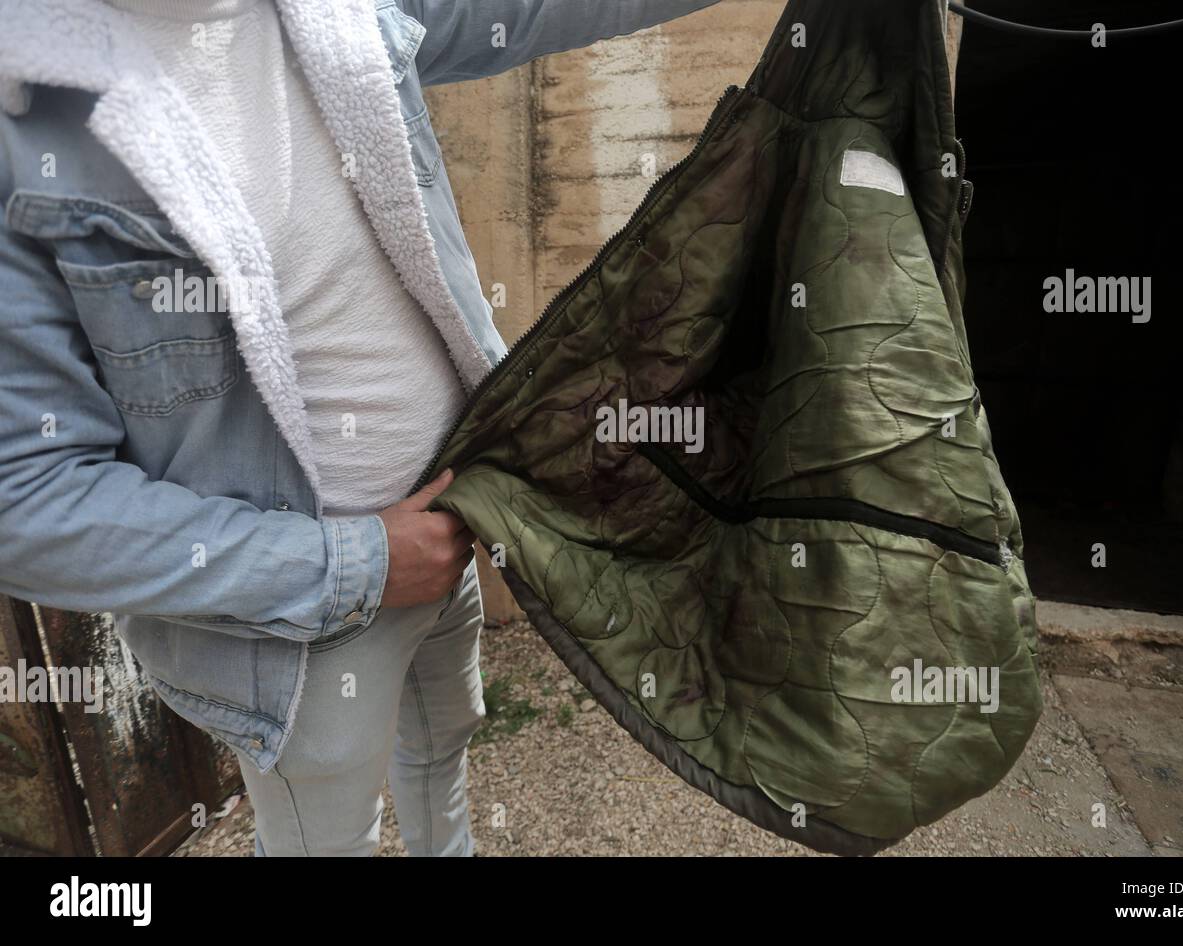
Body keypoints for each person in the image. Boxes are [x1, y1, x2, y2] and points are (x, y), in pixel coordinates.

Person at [0, 0, 719, 856]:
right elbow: (28, 502)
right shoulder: (26, 114)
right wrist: (361, 567)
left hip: (452, 523)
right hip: (302, 619)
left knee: (442, 751)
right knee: (326, 838)